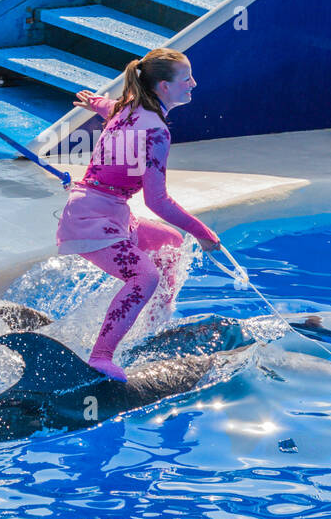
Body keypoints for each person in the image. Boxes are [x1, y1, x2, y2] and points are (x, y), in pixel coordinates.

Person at [55, 48, 220, 380]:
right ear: (163, 87)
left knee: (170, 243)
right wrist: (203, 232)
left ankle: (154, 323)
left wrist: (95, 103)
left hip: (105, 209)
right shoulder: (156, 132)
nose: (194, 83)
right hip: (92, 221)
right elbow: (157, 202)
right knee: (145, 276)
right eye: (186, 78)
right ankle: (101, 356)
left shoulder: (128, 108)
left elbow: (108, 108)